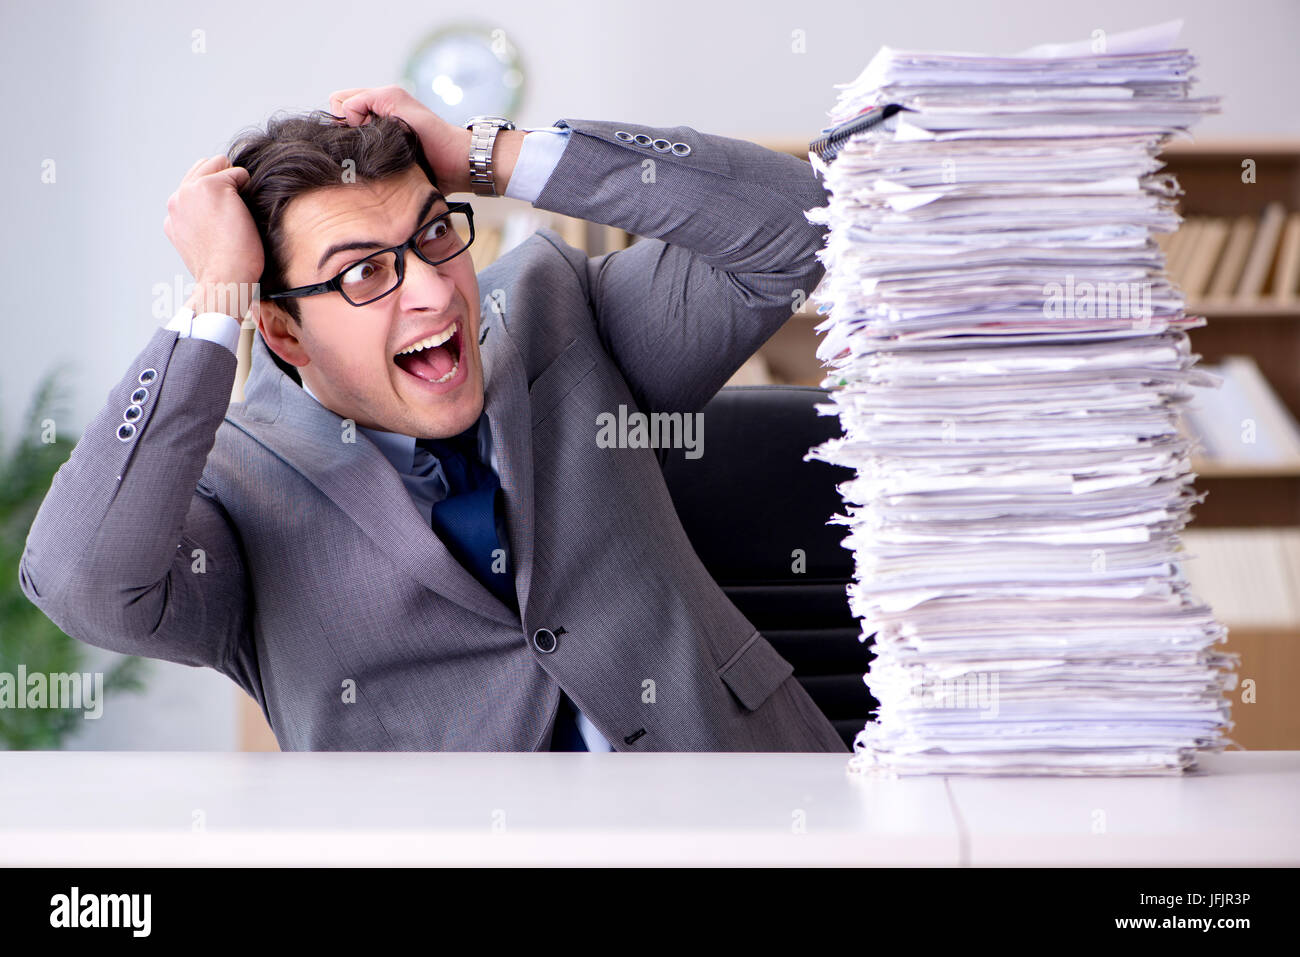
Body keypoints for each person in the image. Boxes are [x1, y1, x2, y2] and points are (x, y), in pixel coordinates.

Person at [19, 85, 846, 753]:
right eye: (365, 272)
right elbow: (81, 582)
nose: (432, 288)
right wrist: (219, 291)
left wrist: (485, 156)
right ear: (281, 330)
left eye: (434, 235)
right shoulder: (233, 491)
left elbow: (803, 221)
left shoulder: (557, 308)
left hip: (750, 823)